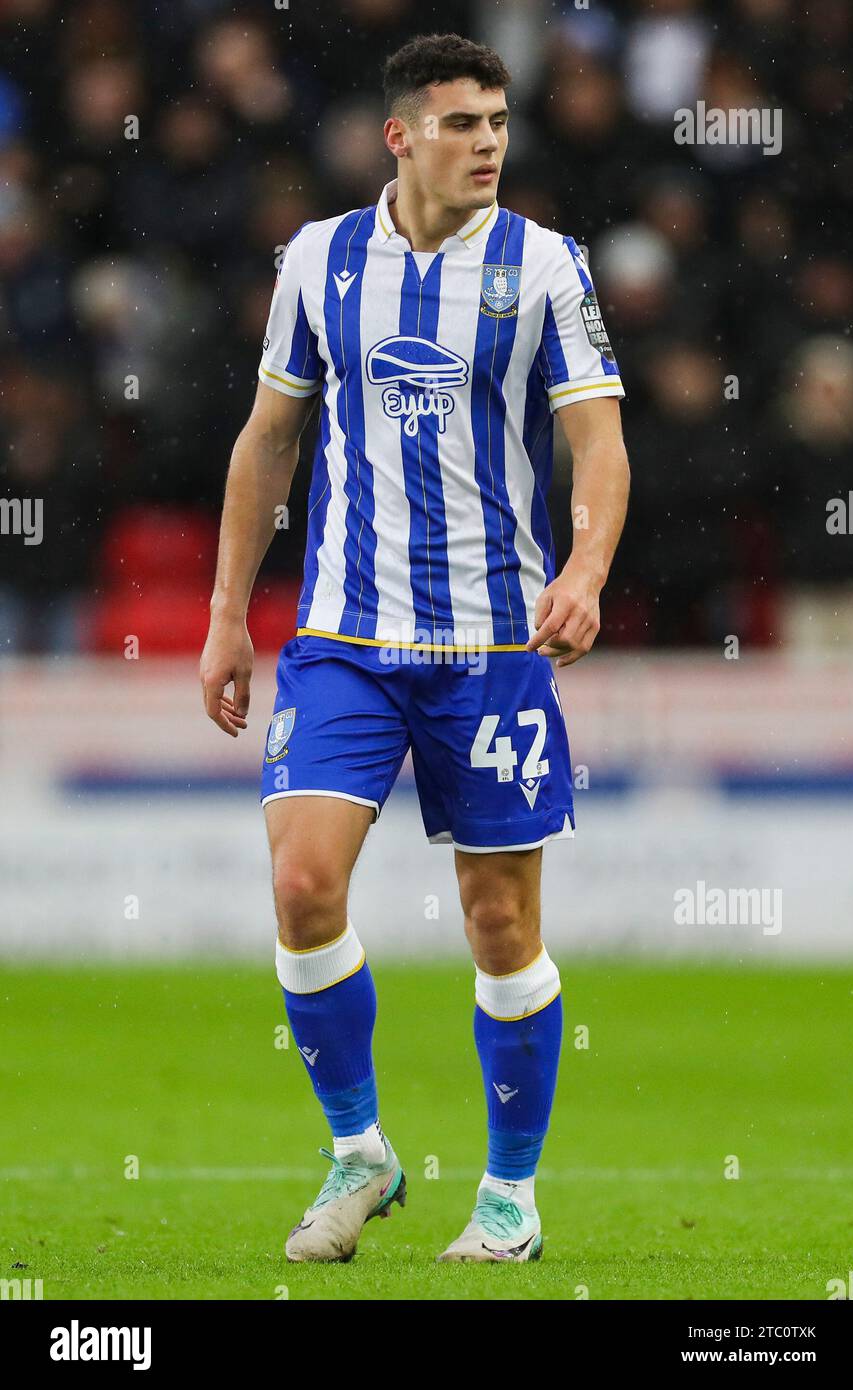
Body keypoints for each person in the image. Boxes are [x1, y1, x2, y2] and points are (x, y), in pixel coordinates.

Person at [199, 31, 629, 1265]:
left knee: (499, 926)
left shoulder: (542, 264)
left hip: (493, 640)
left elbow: (595, 440)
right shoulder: (320, 261)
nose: (487, 141)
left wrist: (584, 567)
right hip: (342, 630)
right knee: (298, 884)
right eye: (459, 122)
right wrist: (230, 613)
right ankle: (359, 1151)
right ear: (400, 137)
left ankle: (507, 1197)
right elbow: (268, 439)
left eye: (496, 119)